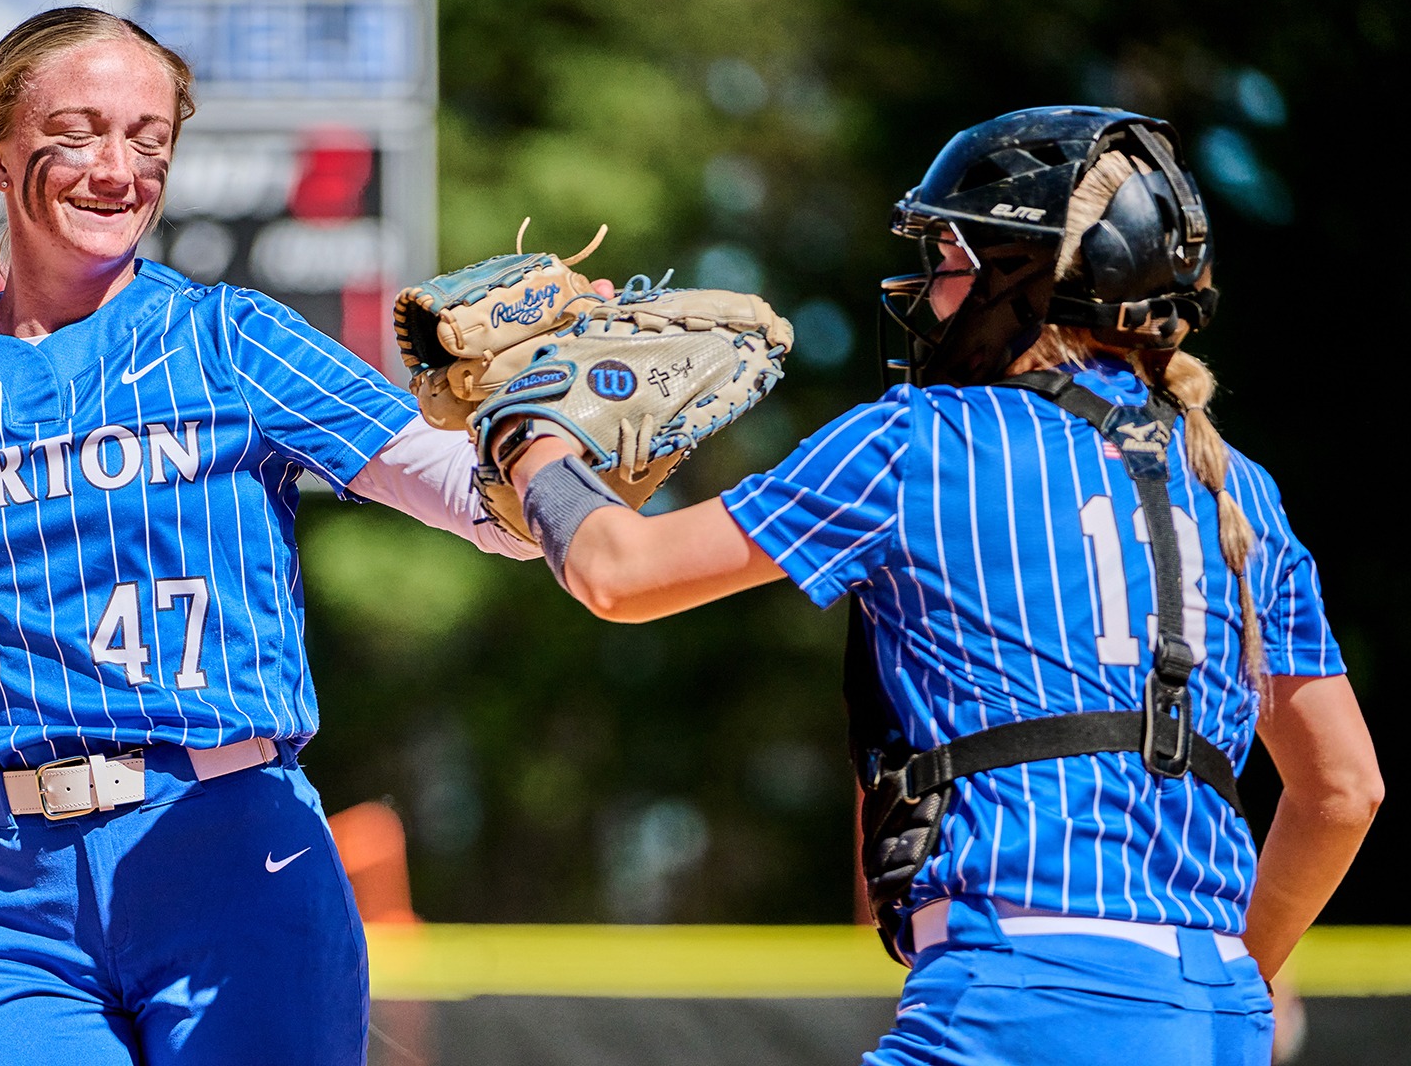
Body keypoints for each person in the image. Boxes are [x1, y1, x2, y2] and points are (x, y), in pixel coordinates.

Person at [0, 7, 540, 1066]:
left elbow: (487, 511)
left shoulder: (231, 341)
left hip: (234, 858)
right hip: (3, 900)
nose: (119, 167)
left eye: (149, 136)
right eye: (79, 131)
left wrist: (551, 447)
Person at [495, 106, 1381, 1063]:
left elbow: (616, 572)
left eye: (951, 256)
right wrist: (1223, 979)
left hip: (1016, 996)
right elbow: (1342, 791)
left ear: (1022, 273)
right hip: (1217, 1020)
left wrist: (525, 427)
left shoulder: (919, 440)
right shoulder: (1238, 488)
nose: (929, 286)